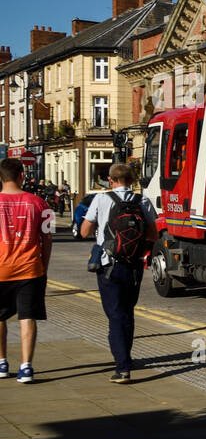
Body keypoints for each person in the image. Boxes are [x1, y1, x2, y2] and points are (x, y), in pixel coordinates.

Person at [80, 162, 158, 383]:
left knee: (115, 315)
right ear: (132, 181)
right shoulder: (141, 200)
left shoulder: (102, 198)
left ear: (111, 180)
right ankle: (127, 357)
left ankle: (122, 367)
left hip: (109, 265)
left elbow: (85, 231)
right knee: (127, 312)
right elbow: (153, 235)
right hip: (133, 265)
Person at [0, 158, 53, 384]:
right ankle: (26, 367)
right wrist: (44, 266)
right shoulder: (39, 203)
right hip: (30, 269)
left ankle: (1, 363)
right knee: (27, 316)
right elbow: (47, 238)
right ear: (22, 175)